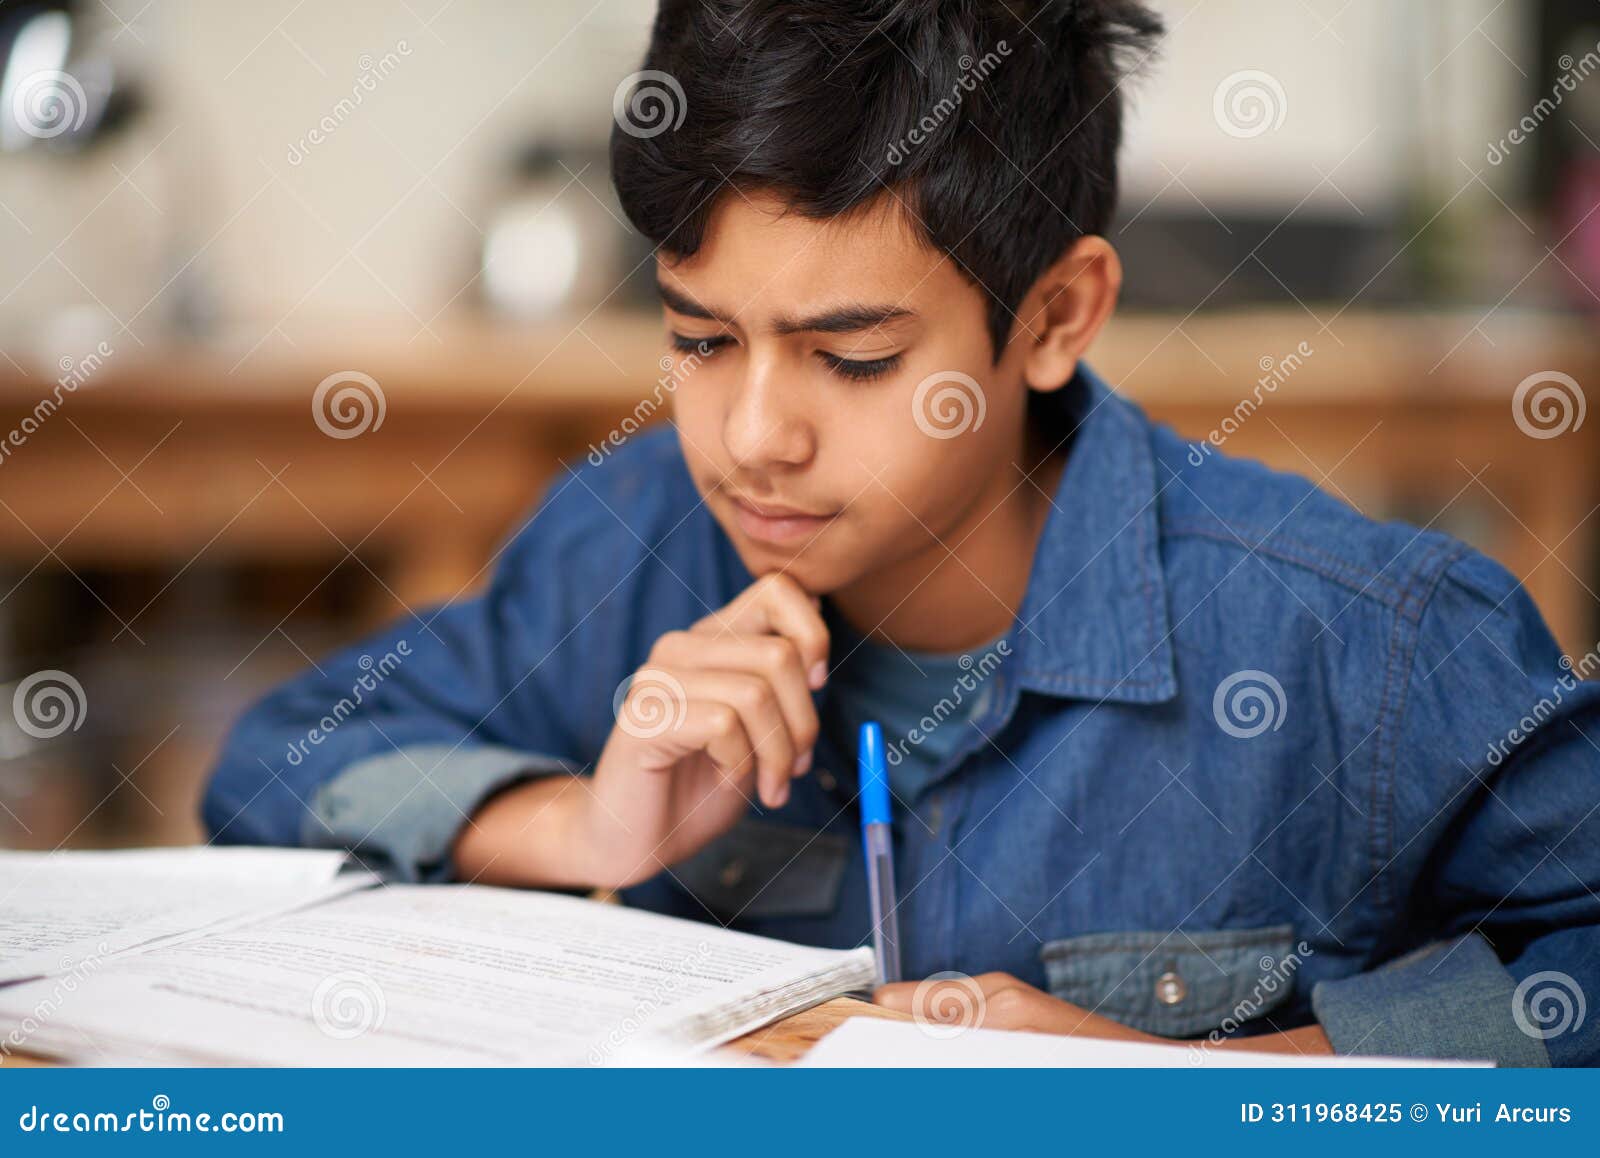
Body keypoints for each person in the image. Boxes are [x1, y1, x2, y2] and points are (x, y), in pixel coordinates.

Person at [205, 0, 1600, 1065]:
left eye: (853, 358)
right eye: (699, 338)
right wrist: (581, 820)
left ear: (1054, 317)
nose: (754, 434)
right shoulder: (619, 547)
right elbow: (273, 768)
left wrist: (1200, 1087)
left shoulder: (1358, 640)